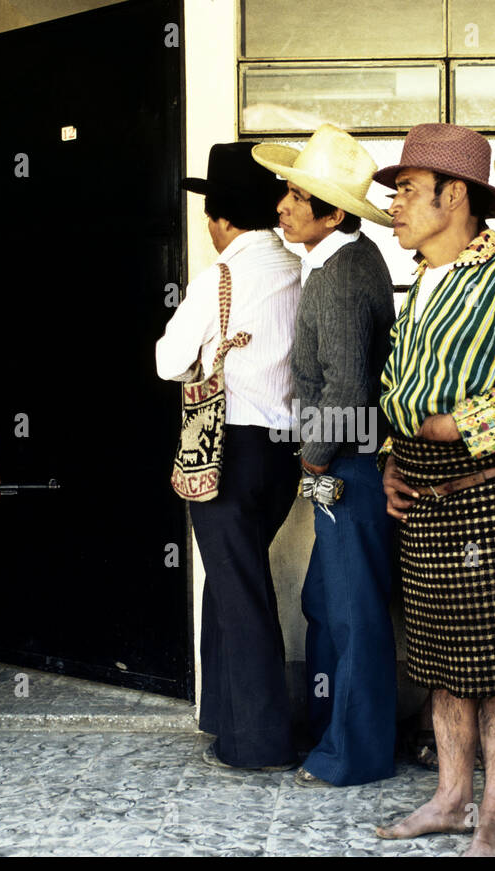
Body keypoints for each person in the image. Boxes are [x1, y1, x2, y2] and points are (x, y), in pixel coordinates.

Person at [373, 123, 495, 856]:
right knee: (442, 663)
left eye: (405, 192)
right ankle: (452, 799)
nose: (393, 206)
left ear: (453, 196)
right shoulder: (422, 283)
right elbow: (401, 389)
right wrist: (395, 458)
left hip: (489, 497)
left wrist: (464, 424)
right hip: (422, 501)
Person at [251, 125, 399, 787]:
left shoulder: (340, 276)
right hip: (348, 462)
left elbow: (346, 387)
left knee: (351, 612)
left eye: (296, 195)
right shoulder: (353, 257)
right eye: (286, 191)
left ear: (332, 213)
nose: (282, 205)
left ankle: (353, 755)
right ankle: (328, 729)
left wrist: (312, 461)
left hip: (347, 466)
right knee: (326, 602)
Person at [155, 142, 301, 771]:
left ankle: (259, 740)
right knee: (232, 579)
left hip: (224, 452)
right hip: (284, 454)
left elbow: (165, 362)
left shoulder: (221, 276)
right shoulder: (300, 270)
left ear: (218, 220)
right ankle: (221, 714)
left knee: (239, 589)